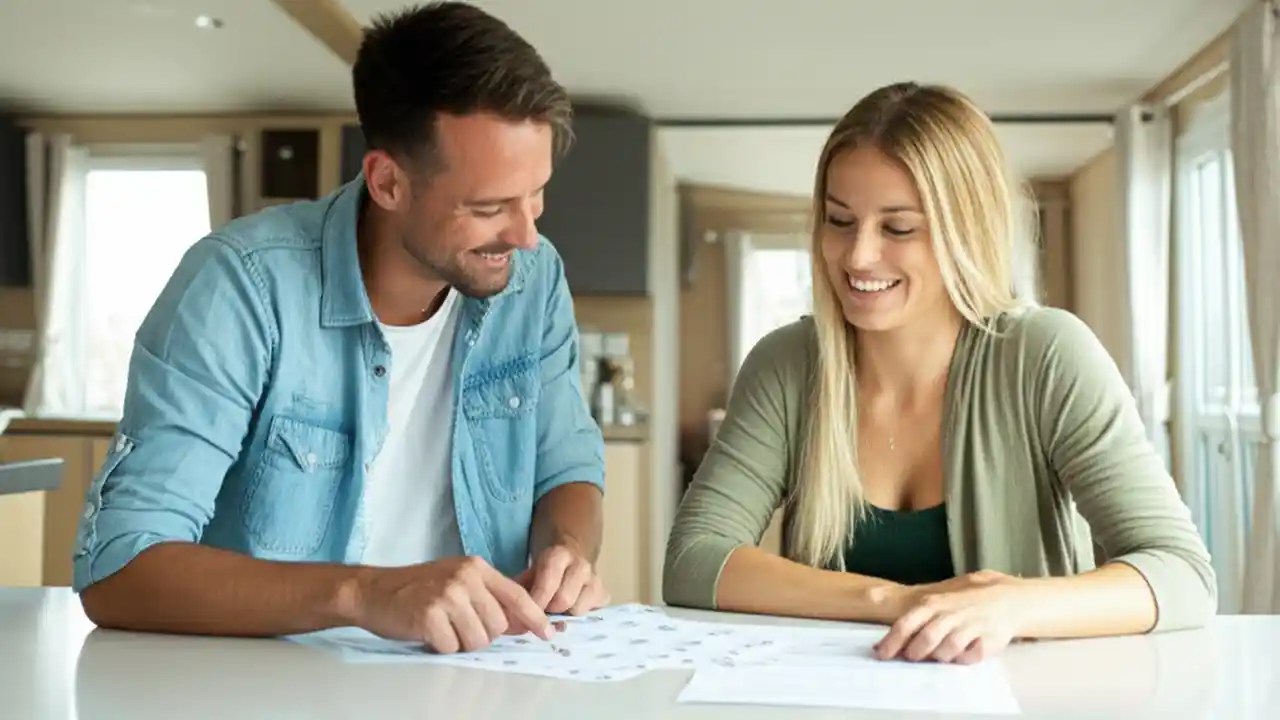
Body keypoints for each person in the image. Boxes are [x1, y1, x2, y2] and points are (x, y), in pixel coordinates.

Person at [74, 2, 609, 654]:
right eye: (489, 207)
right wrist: (364, 594)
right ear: (387, 181)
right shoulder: (239, 288)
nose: (526, 235)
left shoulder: (534, 279)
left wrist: (567, 550)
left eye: (537, 196)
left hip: (471, 677)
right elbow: (121, 570)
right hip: (266, 688)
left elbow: (567, 467)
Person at [663, 82, 1215, 664]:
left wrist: (1011, 605)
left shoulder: (1047, 356)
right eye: (839, 220)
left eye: (898, 228)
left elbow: (1182, 573)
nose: (857, 257)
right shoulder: (787, 365)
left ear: (964, 232)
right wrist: (900, 600)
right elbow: (695, 559)